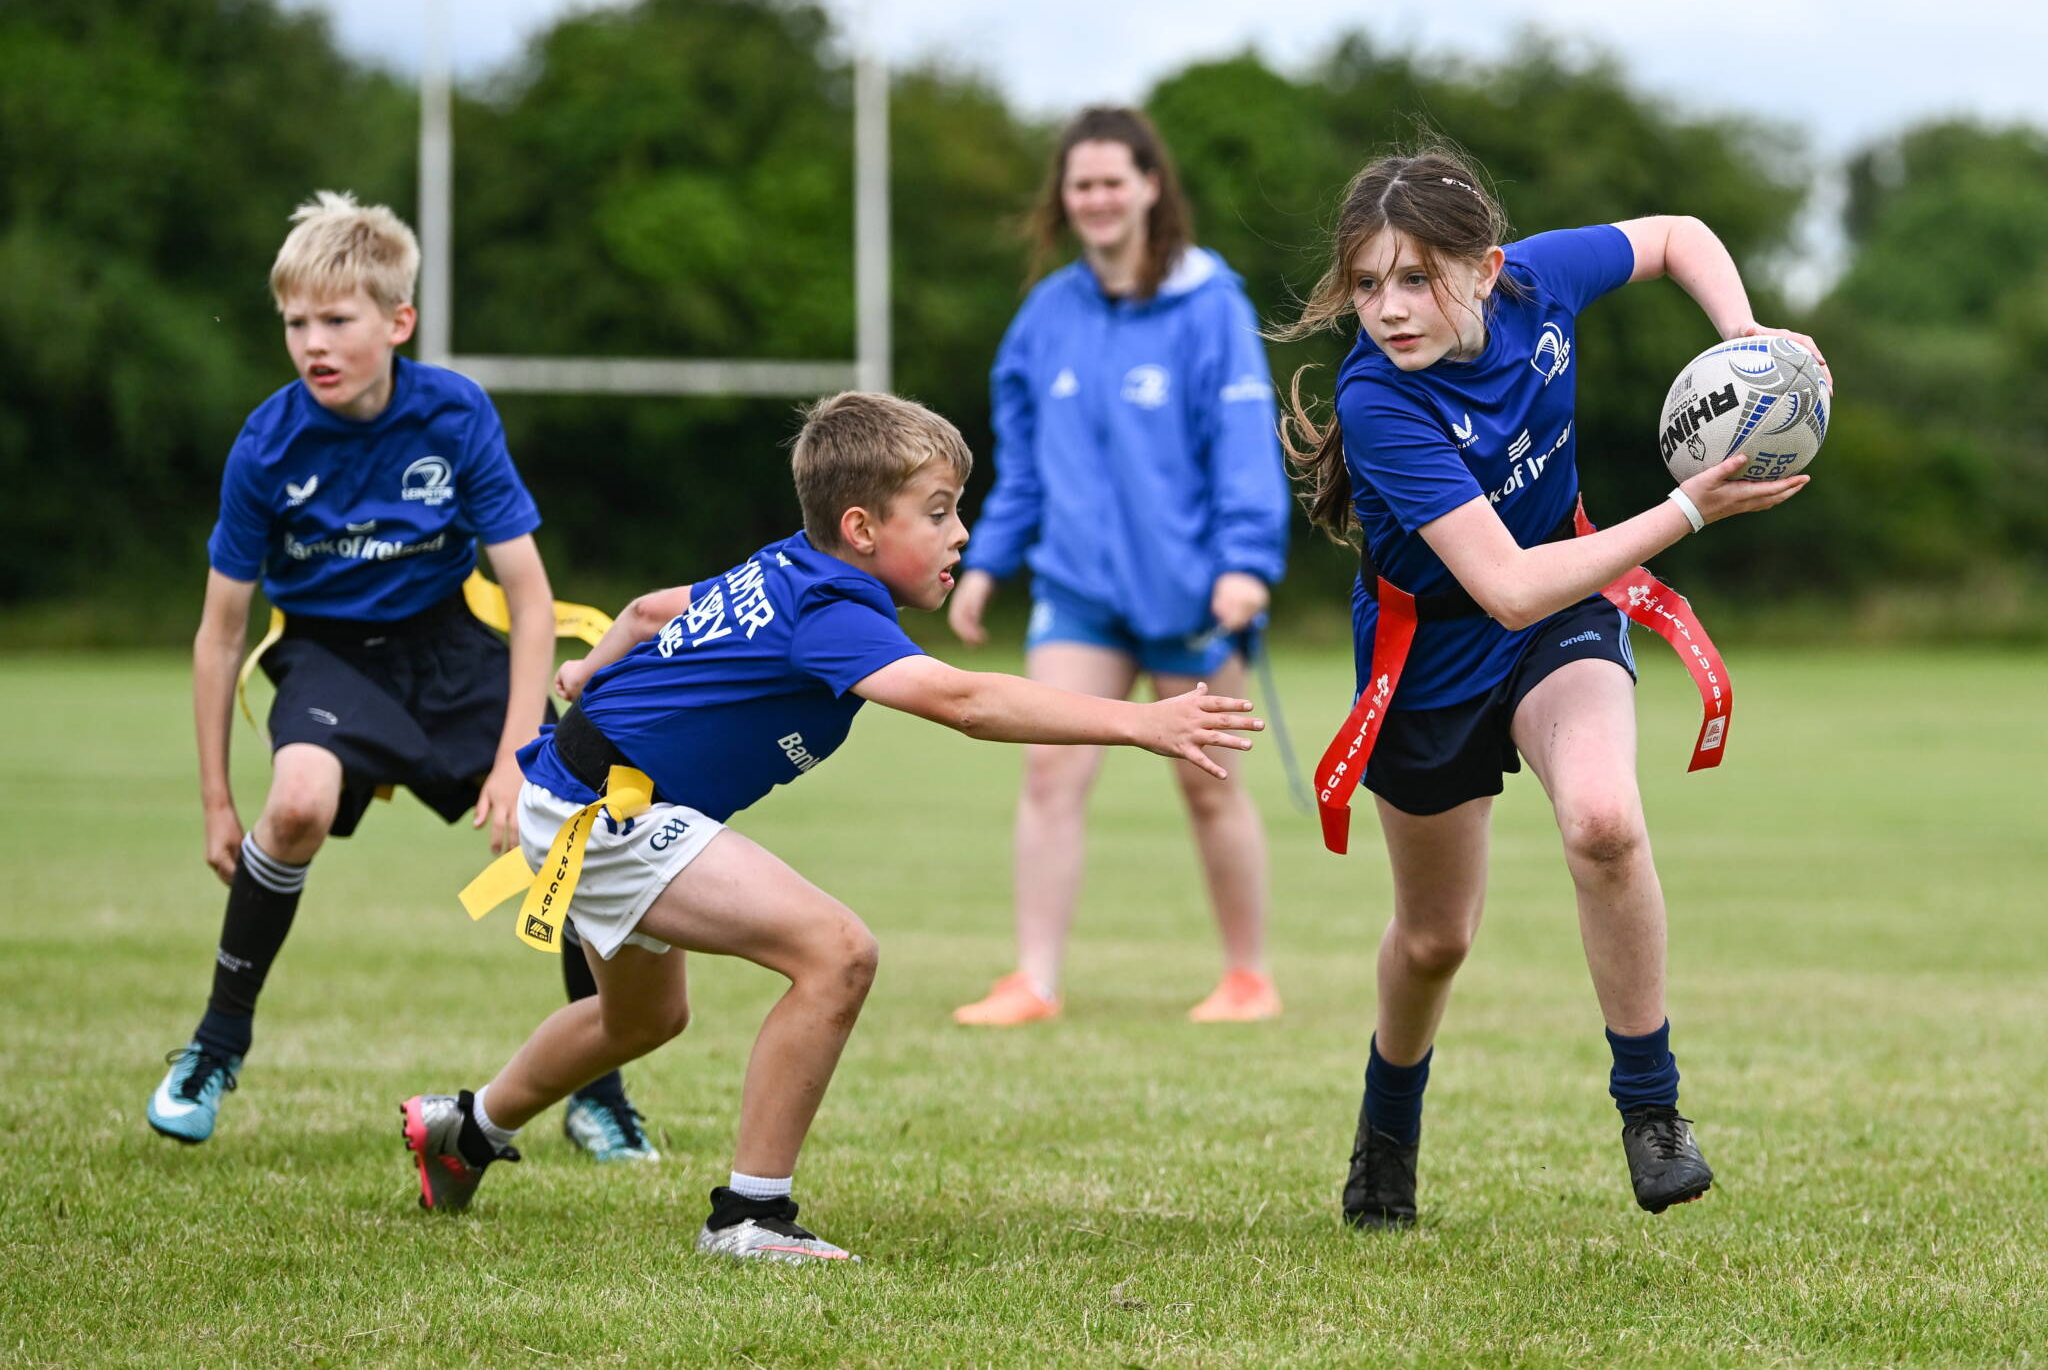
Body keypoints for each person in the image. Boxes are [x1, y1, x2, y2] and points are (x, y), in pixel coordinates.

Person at [401, 392, 1262, 1262]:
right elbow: (963, 701)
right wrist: (1141, 722)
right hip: (610, 808)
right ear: (859, 528)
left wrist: (593, 668)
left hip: (583, 792)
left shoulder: (791, 565)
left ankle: (463, 1129)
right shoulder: (833, 609)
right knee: (836, 952)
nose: (960, 532)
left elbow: (651, 610)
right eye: (937, 513)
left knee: (641, 1022)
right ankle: (750, 1217)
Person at [1272, 149, 1822, 1225]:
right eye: (1368, 283)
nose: (1387, 309)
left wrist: (1743, 340)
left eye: (1415, 279)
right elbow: (1503, 587)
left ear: (1482, 270)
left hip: (1559, 614)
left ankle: (1650, 1110)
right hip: (1431, 655)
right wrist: (1689, 511)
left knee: (1605, 823)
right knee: (1434, 938)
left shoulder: (1537, 280)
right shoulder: (1378, 402)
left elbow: (1673, 233)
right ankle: (1386, 1125)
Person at [149, 192, 658, 1164]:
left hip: (452, 646)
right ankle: (213, 1050)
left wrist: (519, 760)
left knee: (571, 818)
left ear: (398, 322)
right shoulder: (266, 444)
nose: (313, 343)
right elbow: (221, 635)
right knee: (294, 803)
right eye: (296, 322)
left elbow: (530, 599)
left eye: (336, 320)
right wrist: (218, 800)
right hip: (329, 653)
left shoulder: (453, 413)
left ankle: (598, 1091)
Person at [946, 106, 1292, 1028]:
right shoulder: (1044, 316)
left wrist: (1246, 563)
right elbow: (1021, 464)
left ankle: (1247, 977)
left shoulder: (1211, 304)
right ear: (1064, 198)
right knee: (1051, 772)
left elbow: (1244, 446)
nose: (1097, 198)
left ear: (1148, 187)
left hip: (1190, 593)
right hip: (1078, 589)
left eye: (1112, 180)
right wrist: (983, 564)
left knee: (1205, 779)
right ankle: (1035, 981)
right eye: (1081, 183)